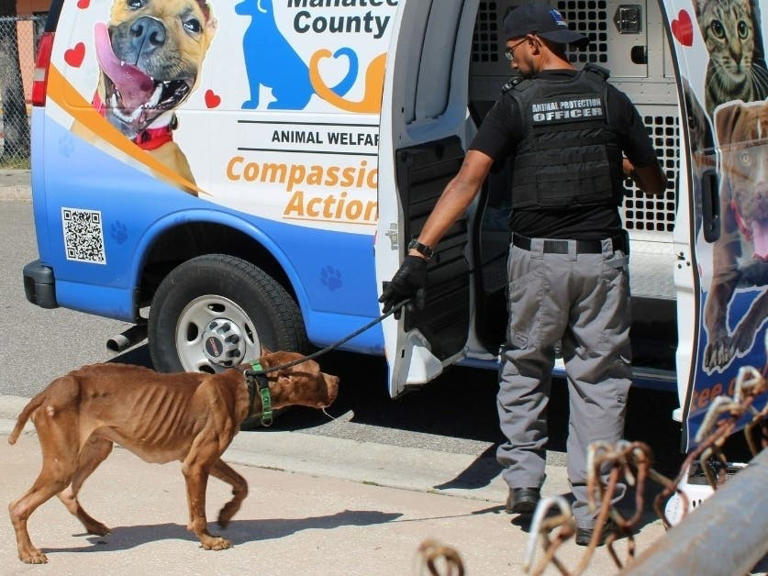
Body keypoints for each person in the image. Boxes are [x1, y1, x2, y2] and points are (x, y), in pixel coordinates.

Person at [379, 3, 667, 546]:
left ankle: (524, 483)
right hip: (601, 262)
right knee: (600, 383)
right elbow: (654, 182)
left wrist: (419, 253)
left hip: (536, 262)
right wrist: (626, 169)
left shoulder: (515, 106)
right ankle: (593, 512)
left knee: (525, 364)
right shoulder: (611, 98)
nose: (511, 63)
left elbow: (467, 179)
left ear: (534, 43)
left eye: (513, 51)